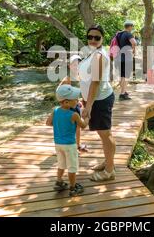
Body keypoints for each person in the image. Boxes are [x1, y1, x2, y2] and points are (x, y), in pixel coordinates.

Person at [79, 25, 116, 181]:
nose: (93, 40)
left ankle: (109, 171)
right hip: (94, 99)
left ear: (102, 39)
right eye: (90, 37)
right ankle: (108, 162)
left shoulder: (99, 56)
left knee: (105, 135)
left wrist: (88, 106)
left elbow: (95, 83)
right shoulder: (91, 53)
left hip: (100, 100)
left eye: (97, 37)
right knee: (104, 134)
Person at [46, 84, 88, 197]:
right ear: (66, 102)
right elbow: (83, 125)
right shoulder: (74, 114)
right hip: (70, 145)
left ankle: (59, 181)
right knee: (72, 166)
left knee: (61, 164)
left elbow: (48, 123)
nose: (77, 100)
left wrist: (59, 124)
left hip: (58, 144)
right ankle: (73, 187)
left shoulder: (55, 111)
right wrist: (87, 117)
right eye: (75, 98)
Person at [59, 54, 88, 153]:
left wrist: (80, 101)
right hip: (68, 107)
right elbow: (59, 92)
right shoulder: (67, 79)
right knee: (69, 127)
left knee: (78, 127)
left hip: (76, 106)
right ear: (69, 66)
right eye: (74, 64)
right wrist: (64, 104)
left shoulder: (81, 78)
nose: (76, 66)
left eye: (78, 64)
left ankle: (78, 145)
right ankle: (67, 146)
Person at [115, 20, 137, 100]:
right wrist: (134, 50)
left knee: (122, 75)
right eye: (132, 26)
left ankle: (123, 91)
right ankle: (122, 94)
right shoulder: (128, 34)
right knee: (126, 75)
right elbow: (134, 42)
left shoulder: (118, 34)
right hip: (126, 57)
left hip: (119, 57)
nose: (132, 28)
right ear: (130, 26)